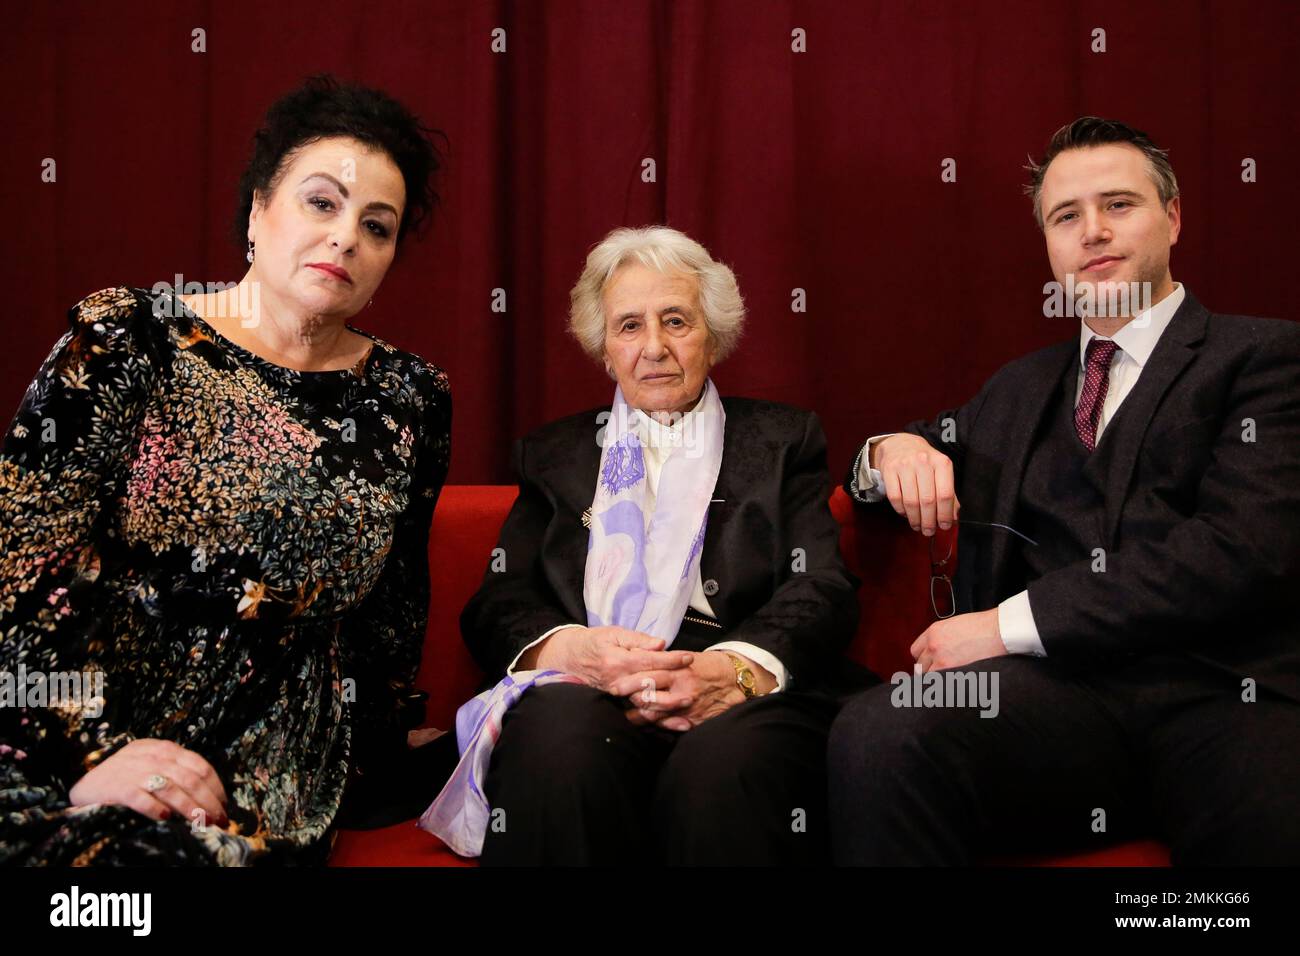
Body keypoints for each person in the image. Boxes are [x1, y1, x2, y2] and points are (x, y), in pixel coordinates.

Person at [0, 75, 453, 865]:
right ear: (257, 210)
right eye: (322, 202)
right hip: (64, 735)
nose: (346, 236)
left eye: (375, 226)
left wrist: (386, 737)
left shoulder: (408, 396)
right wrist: (91, 751)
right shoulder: (130, 338)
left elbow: (390, 614)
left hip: (257, 773)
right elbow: (17, 571)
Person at [829, 117, 1300, 865]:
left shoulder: (1266, 358)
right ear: (1048, 244)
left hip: (1220, 693)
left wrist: (1006, 624)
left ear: (1173, 217)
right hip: (1055, 704)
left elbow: (1244, 551)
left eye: (1118, 205)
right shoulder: (1019, 389)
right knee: (882, 729)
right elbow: (892, 465)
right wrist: (891, 449)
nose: (1093, 233)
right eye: (1066, 216)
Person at [420, 226, 863, 865]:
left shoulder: (782, 441)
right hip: (595, 685)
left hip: (730, 687)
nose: (653, 347)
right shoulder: (554, 456)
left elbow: (820, 585)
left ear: (712, 336)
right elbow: (502, 596)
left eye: (676, 321)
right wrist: (573, 650)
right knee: (558, 739)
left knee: (722, 765)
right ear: (604, 348)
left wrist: (733, 669)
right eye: (629, 326)